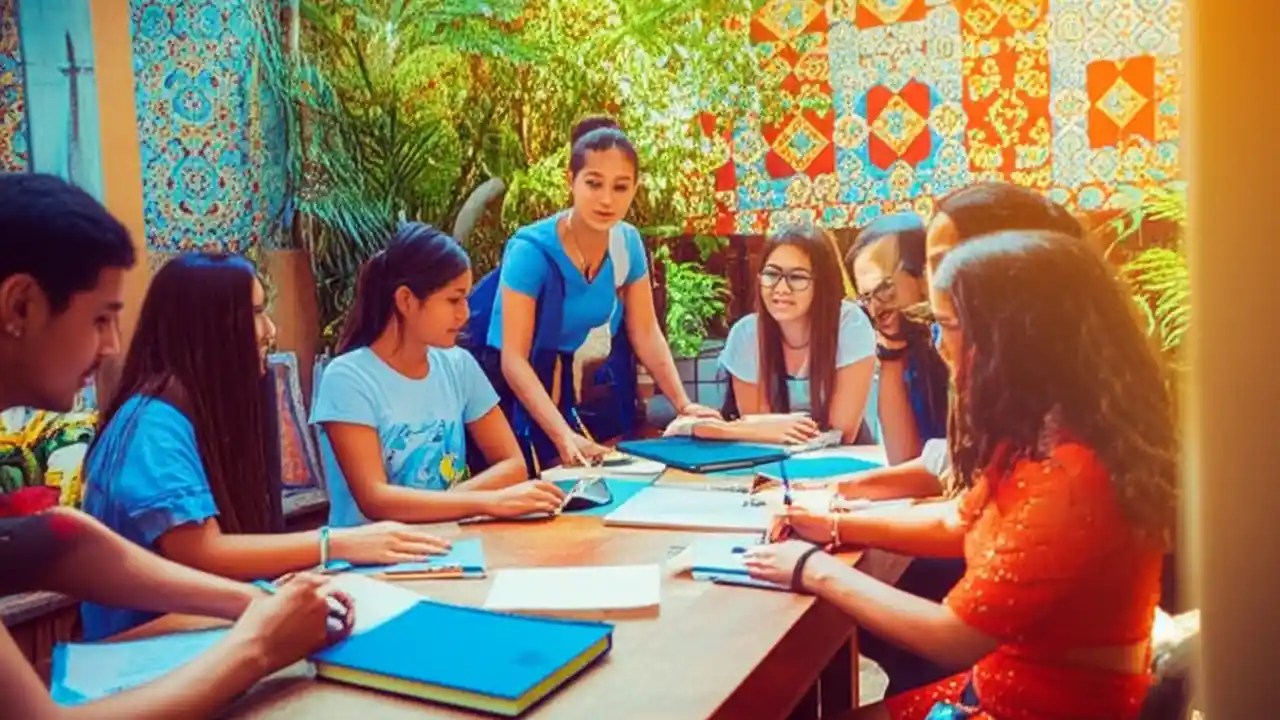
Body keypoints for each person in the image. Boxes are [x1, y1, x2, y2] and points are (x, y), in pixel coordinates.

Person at [749, 232, 1178, 720]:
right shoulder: (1038, 432)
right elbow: (961, 521)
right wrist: (833, 525)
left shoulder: (1073, 473)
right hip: (998, 688)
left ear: (1010, 339)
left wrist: (813, 568)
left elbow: (953, 636)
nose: (940, 347)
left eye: (948, 327)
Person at [0, 172, 351, 718]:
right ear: (20, 307)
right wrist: (256, 646)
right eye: (100, 320)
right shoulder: (154, 420)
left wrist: (256, 603)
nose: (113, 346)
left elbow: (55, 541)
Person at [80, 252, 442, 640]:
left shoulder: (196, 407)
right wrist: (336, 542)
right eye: (255, 313)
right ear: (208, 325)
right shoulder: (151, 425)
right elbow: (203, 553)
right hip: (145, 652)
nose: (270, 329)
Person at [481, 116, 719, 470]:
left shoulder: (627, 243)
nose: (607, 199)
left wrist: (684, 405)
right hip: (504, 388)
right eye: (594, 183)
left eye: (620, 187)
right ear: (571, 181)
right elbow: (513, 360)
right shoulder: (530, 251)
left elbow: (646, 331)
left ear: (635, 189)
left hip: (562, 385)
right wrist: (562, 435)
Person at [313, 223, 567, 528]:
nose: (465, 313)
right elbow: (376, 500)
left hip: (449, 543)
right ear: (406, 300)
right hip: (370, 561)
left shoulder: (458, 365)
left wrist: (449, 507)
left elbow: (513, 465)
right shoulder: (347, 378)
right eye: (453, 300)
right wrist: (487, 502)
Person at [679, 223, 875, 444]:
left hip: (843, 462)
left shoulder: (850, 324)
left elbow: (841, 435)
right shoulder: (746, 334)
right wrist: (745, 429)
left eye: (797, 277)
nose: (781, 288)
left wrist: (730, 429)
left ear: (822, 284)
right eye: (772, 274)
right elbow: (758, 432)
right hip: (770, 462)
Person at [844, 212, 949, 464]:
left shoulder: (956, 339)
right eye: (865, 299)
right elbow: (903, 456)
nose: (875, 309)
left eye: (883, 290)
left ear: (925, 277)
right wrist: (891, 354)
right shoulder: (906, 350)